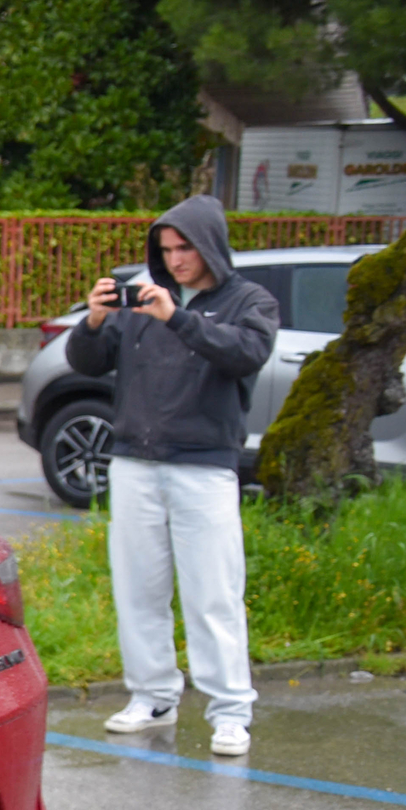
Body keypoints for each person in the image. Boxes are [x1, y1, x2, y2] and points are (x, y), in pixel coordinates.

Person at [66, 194, 278, 756]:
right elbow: (85, 362)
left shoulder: (247, 301)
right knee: (138, 589)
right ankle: (152, 697)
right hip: (135, 460)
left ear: (210, 244)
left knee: (213, 594)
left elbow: (246, 353)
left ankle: (231, 710)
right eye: (166, 249)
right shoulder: (141, 298)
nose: (176, 259)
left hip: (203, 467)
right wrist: (92, 321)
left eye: (185, 247)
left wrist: (177, 317)